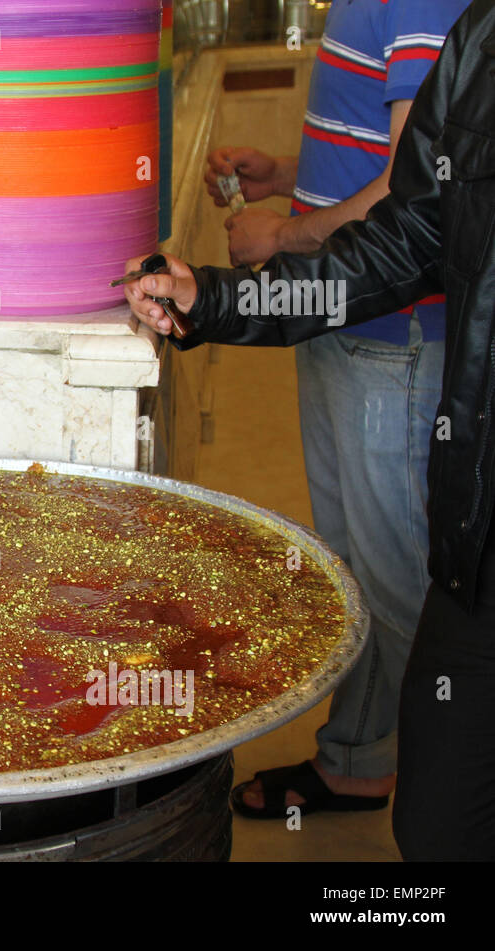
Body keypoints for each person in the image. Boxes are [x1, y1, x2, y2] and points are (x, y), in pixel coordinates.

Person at [125, 0, 495, 860]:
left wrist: (281, 235)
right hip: (483, 526)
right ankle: (364, 759)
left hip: (409, 376)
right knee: (438, 819)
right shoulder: (480, 38)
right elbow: (409, 233)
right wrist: (215, 298)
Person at [204, 0, 469, 821]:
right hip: (341, 316)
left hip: (392, 334)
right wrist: (288, 172)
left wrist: (285, 235)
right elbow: (381, 149)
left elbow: (414, 188)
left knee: (400, 590)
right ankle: (358, 761)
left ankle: (457, 800)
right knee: (351, 565)